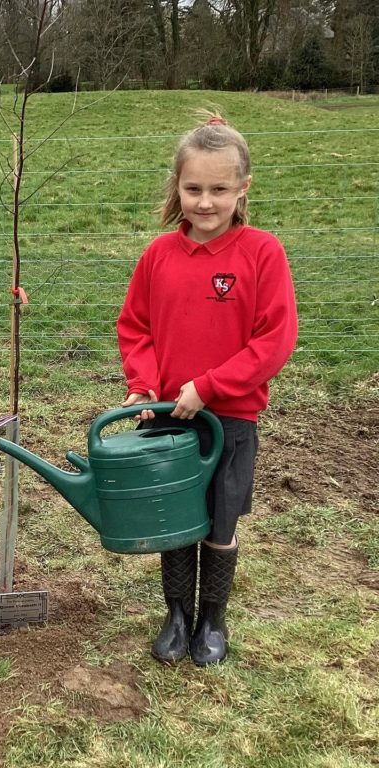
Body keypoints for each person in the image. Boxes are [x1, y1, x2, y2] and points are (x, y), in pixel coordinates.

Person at [116, 113, 298, 667]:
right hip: (169, 421)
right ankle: (176, 616)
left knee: (219, 523)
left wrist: (210, 386)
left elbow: (275, 340)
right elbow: (135, 327)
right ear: (178, 187)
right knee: (175, 521)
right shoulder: (158, 256)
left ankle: (212, 621)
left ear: (243, 189)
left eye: (219, 190)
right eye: (193, 189)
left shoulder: (262, 253)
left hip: (231, 421)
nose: (205, 202)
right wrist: (146, 387)